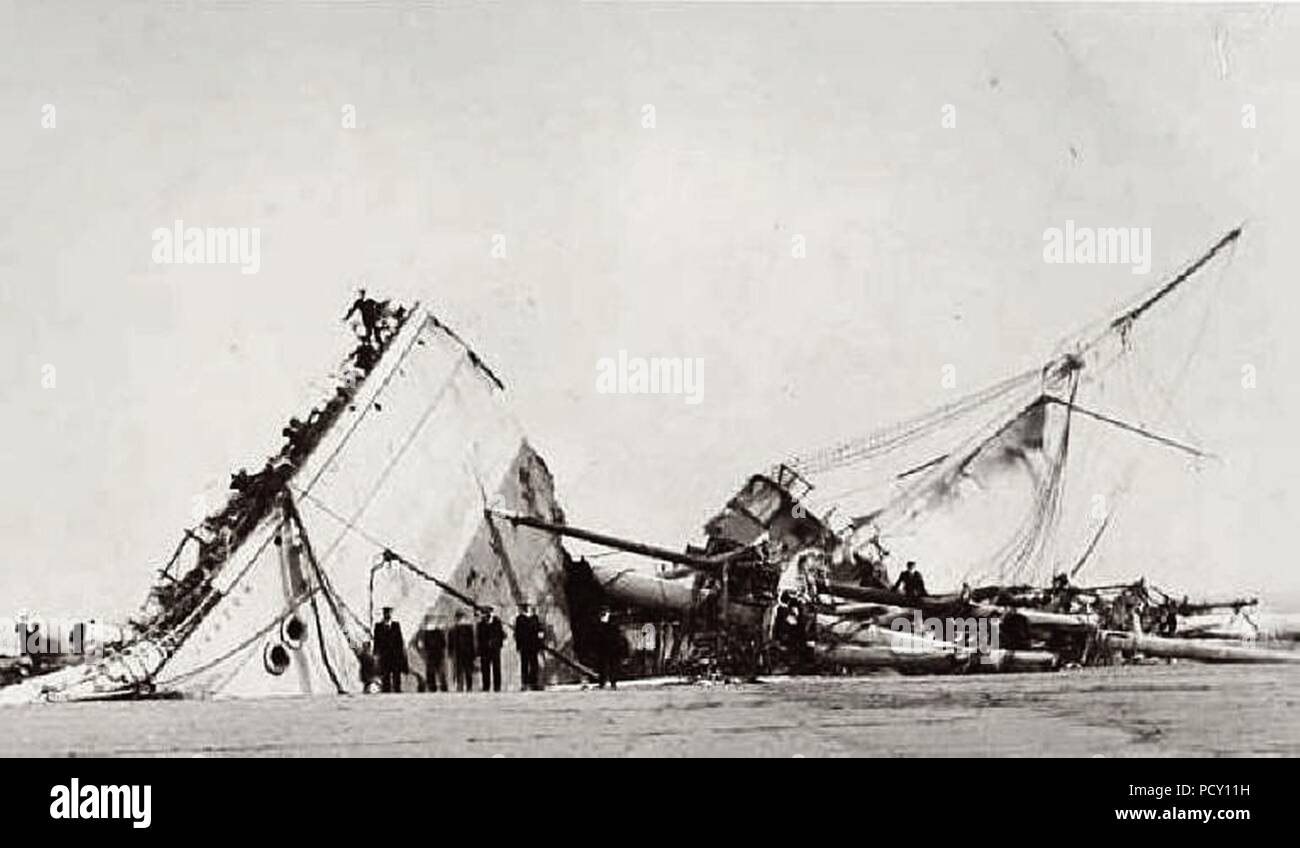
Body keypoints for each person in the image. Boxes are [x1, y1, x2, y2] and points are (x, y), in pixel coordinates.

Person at [372, 607, 408, 693]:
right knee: (385, 674)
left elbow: (399, 641)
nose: (387, 615)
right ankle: (386, 690)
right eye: (385, 613)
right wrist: (376, 653)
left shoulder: (396, 625)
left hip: (395, 655)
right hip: (385, 655)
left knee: (396, 673)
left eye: (388, 613)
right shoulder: (378, 626)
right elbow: (376, 641)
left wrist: (401, 653)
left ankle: (397, 689)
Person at [513, 603, 544, 691]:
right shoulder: (520, 619)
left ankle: (534, 683)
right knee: (524, 665)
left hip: (533, 645)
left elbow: (539, 630)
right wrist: (518, 646)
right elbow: (518, 634)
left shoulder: (535, 618)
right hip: (524, 645)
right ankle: (525, 683)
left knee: (534, 664)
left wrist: (540, 641)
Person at [476, 607, 506, 692]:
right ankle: (486, 686)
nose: (483, 616)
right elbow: (479, 638)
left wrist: (498, 644)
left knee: (496, 668)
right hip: (484, 650)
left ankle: (497, 686)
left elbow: (502, 635)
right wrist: (479, 651)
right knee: (485, 668)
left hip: (495, 649)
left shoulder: (497, 622)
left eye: (485, 614)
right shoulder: (480, 625)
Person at [595, 608, 623, 689]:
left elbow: (616, 634)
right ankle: (602, 682)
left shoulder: (613, 622)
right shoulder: (600, 622)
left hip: (612, 647)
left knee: (612, 665)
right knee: (603, 665)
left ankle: (613, 682)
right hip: (603, 647)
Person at [448, 611, 476, 692]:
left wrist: (473, 653)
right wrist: (451, 652)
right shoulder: (453, 629)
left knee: (466, 670)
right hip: (458, 653)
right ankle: (461, 686)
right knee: (459, 670)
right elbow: (450, 643)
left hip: (465, 653)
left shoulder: (467, 628)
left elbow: (472, 642)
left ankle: (468, 686)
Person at [418, 618, 448, 692]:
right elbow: (443, 644)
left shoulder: (426, 633)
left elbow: (424, 645)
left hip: (431, 654)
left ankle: (433, 687)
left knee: (433, 671)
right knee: (439, 671)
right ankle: (442, 686)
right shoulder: (438, 632)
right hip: (437, 654)